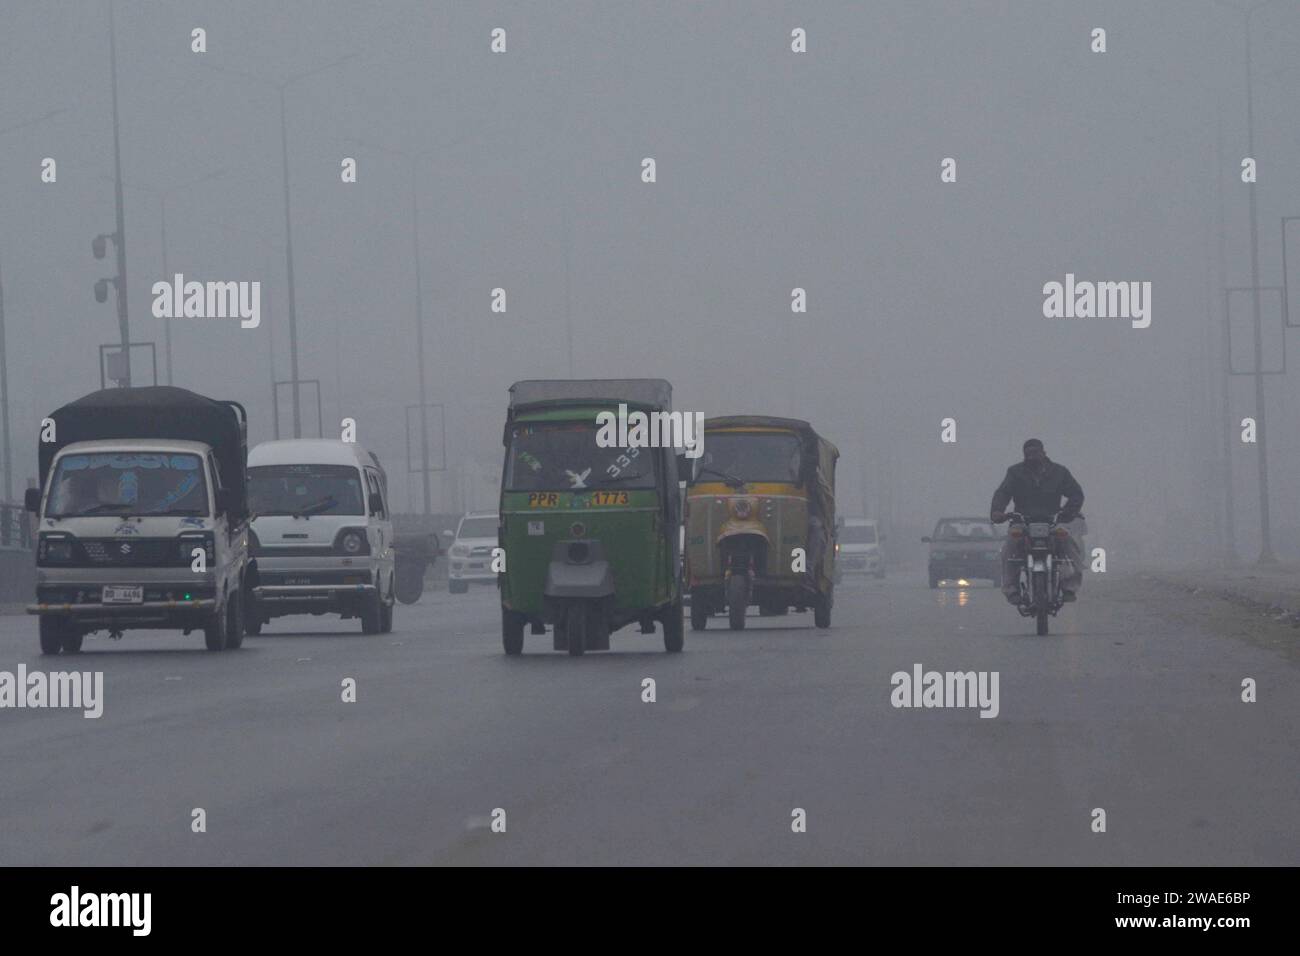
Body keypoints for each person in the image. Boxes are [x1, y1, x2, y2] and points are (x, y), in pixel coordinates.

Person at [990, 438, 1084, 603]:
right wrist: (998, 512)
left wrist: (1068, 513)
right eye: (1028, 453)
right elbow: (1003, 493)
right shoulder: (1015, 472)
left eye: (1035, 452)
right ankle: (1011, 590)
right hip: (1022, 522)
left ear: (1044, 452)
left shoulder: (1059, 472)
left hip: (1053, 522)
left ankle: (1070, 587)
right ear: (1024, 455)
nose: (1032, 457)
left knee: (1070, 546)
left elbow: (1076, 494)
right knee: (1008, 550)